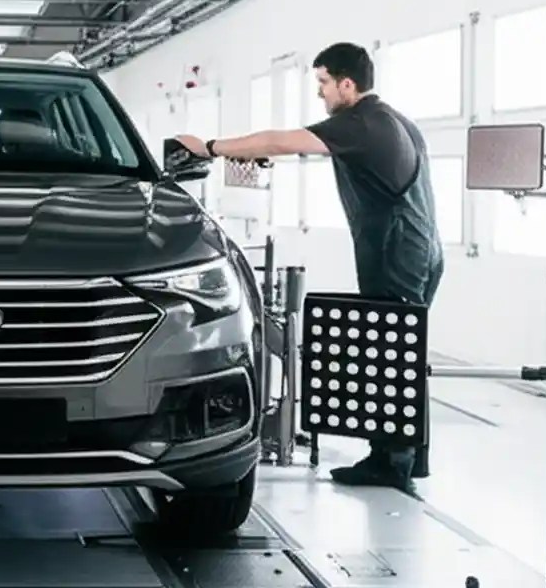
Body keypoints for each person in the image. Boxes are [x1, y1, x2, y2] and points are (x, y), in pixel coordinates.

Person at [174, 42, 444, 494]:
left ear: (347, 84)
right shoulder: (395, 121)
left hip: (398, 251)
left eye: (323, 83)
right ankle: (407, 460)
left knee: (390, 355)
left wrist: (210, 147)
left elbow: (281, 140)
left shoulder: (360, 123)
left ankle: (390, 463)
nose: (320, 92)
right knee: (404, 355)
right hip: (423, 249)